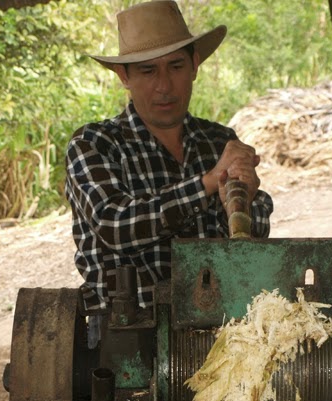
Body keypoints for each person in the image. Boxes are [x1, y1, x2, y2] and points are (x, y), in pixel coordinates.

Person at [65, 1, 274, 324]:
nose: (164, 85)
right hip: (128, 329)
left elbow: (252, 241)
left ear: (194, 65)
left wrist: (244, 199)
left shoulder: (218, 141)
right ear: (124, 76)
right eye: (148, 70)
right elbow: (114, 225)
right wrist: (206, 184)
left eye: (175, 66)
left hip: (222, 321)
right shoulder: (94, 144)